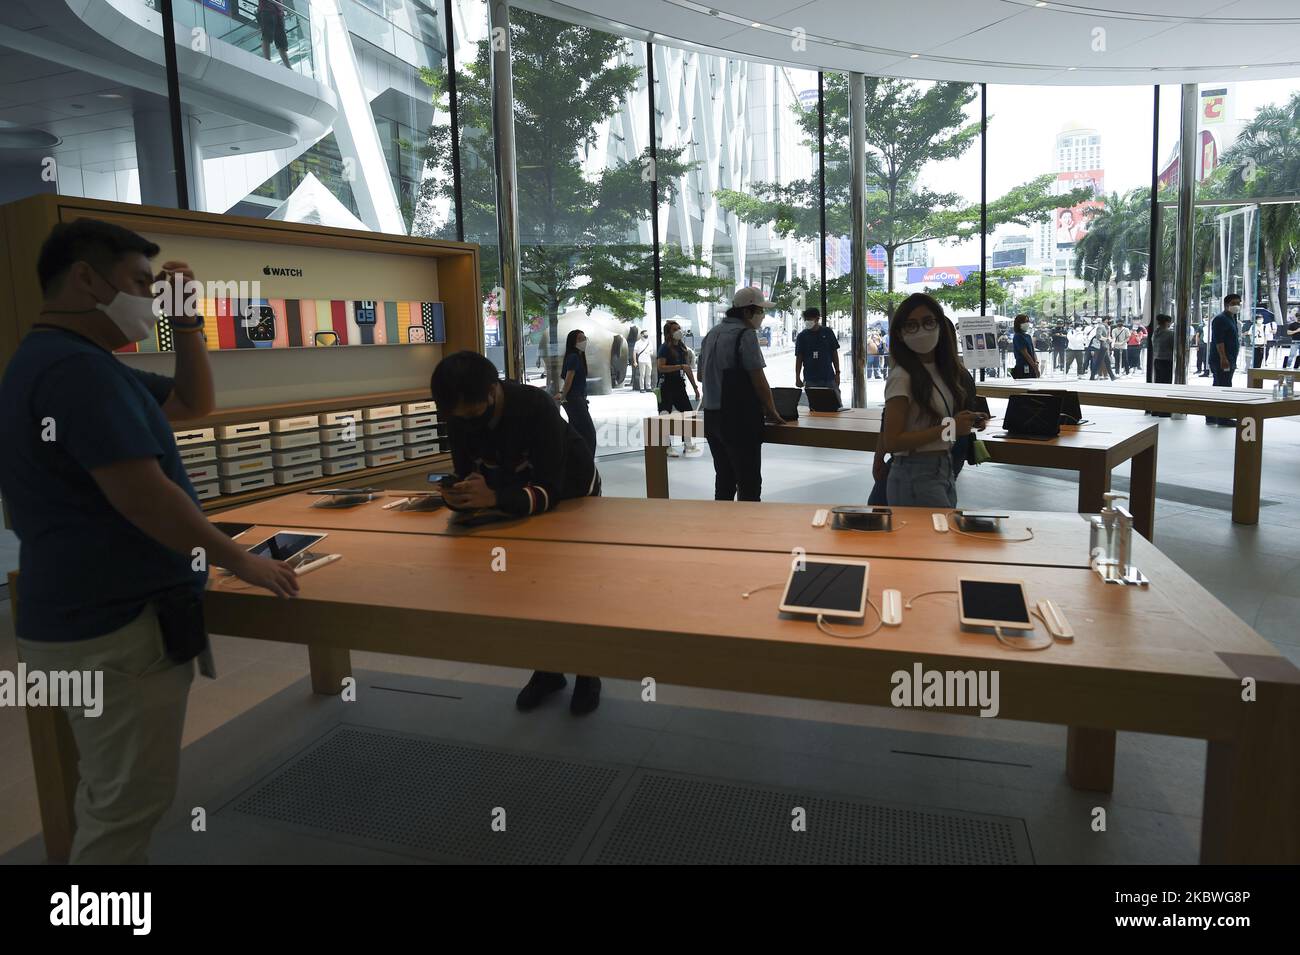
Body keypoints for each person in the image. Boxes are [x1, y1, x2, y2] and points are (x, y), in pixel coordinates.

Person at [0, 219, 300, 864]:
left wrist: (186, 324)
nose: (148, 294)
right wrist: (240, 560)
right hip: (115, 630)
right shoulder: (77, 373)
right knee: (124, 807)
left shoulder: (66, 363)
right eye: (140, 282)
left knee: (107, 790)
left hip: (72, 620)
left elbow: (193, 404)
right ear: (86, 277)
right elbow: (143, 494)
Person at [432, 350, 604, 714]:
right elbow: (467, 471)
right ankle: (547, 669)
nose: (467, 423)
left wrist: (493, 496)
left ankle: (589, 672)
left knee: (573, 589)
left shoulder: (535, 407)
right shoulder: (461, 413)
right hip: (515, 493)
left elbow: (550, 490)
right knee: (531, 590)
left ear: (493, 391)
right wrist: (460, 493)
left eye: (473, 414)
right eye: (458, 417)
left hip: (572, 492)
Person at [880, 293, 985, 507]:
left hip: (943, 467)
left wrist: (963, 422)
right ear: (900, 333)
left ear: (939, 325)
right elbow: (893, 441)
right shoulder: (901, 376)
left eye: (928, 322)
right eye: (911, 325)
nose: (921, 331)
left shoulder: (942, 373)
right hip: (914, 473)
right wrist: (951, 427)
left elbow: (939, 426)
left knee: (941, 537)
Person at [698, 287, 787, 501]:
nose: (763, 317)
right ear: (747, 312)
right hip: (738, 419)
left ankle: (723, 530)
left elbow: (701, 376)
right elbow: (758, 379)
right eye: (760, 311)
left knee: (724, 479)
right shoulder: (745, 335)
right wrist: (772, 410)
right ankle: (748, 531)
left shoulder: (712, 334)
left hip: (711, 417)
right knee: (749, 483)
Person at [656, 319, 701, 457]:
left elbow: (687, 369)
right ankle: (666, 446)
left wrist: (695, 387)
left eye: (679, 328)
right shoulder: (664, 348)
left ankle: (688, 444)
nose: (678, 331)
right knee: (665, 414)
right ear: (669, 333)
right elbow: (660, 367)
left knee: (687, 412)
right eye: (675, 329)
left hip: (679, 384)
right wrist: (679, 367)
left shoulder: (682, 348)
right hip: (666, 385)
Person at [556, 329, 597, 455]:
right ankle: (586, 461)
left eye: (585, 338)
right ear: (573, 342)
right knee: (588, 433)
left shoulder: (578, 357)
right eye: (580, 339)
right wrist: (563, 396)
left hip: (576, 398)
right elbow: (569, 380)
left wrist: (563, 395)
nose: (583, 341)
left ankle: (577, 461)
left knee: (576, 432)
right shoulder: (574, 357)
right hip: (574, 399)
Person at [1207, 293, 1242, 427]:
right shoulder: (1221, 319)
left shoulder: (1232, 318)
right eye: (1233, 303)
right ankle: (1223, 418)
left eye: (1238, 303)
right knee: (1224, 387)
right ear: (1226, 304)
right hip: (1222, 359)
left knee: (1218, 386)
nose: (1236, 306)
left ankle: (1211, 415)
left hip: (1229, 358)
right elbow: (1219, 340)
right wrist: (1223, 357)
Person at [794, 306, 841, 393]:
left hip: (828, 377)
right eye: (806, 319)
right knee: (814, 404)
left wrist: (837, 373)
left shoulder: (827, 332)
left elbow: (834, 353)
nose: (807, 322)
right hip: (810, 378)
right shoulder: (802, 336)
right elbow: (799, 358)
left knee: (833, 403)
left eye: (810, 319)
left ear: (817, 319)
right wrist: (797, 377)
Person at [1149, 314, 1175, 417]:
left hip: (1157, 360)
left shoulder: (1155, 332)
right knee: (1166, 385)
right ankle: (1164, 411)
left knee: (1158, 385)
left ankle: (1155, 409)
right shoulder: (1169, 334)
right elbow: (1173, 347)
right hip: (1167, 361)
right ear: (1166, 322)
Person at [258, 0, 291, 68]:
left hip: (279, 13)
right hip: (267, 9)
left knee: (282, 42)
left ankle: (289, 67)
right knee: (267, 36)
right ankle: (267, 60)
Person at [1011, 314, 1039, 379]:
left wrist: (1036, 362)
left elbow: (1033, 351)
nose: (1027, 323)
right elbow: (1025, 354)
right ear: (1018, 323)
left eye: (1027, 321)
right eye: (1024, 322)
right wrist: (1035, 367)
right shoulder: (1018, 336)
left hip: (1032, 366)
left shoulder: (1028, 336)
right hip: (1023, 367)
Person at [634, 328, 654, 392]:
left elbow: (652, 351)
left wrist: (650, 353)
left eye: (647, 334)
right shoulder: (638, 343)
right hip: (641, 360)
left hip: (648, 360)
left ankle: (648, 387)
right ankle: (642, 388)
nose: (646, 335)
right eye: (645, 334)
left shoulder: (649, 342)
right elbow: (634, 352)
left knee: (648, 374)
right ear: (642, 335)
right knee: (642, 375)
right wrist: (635, 361)